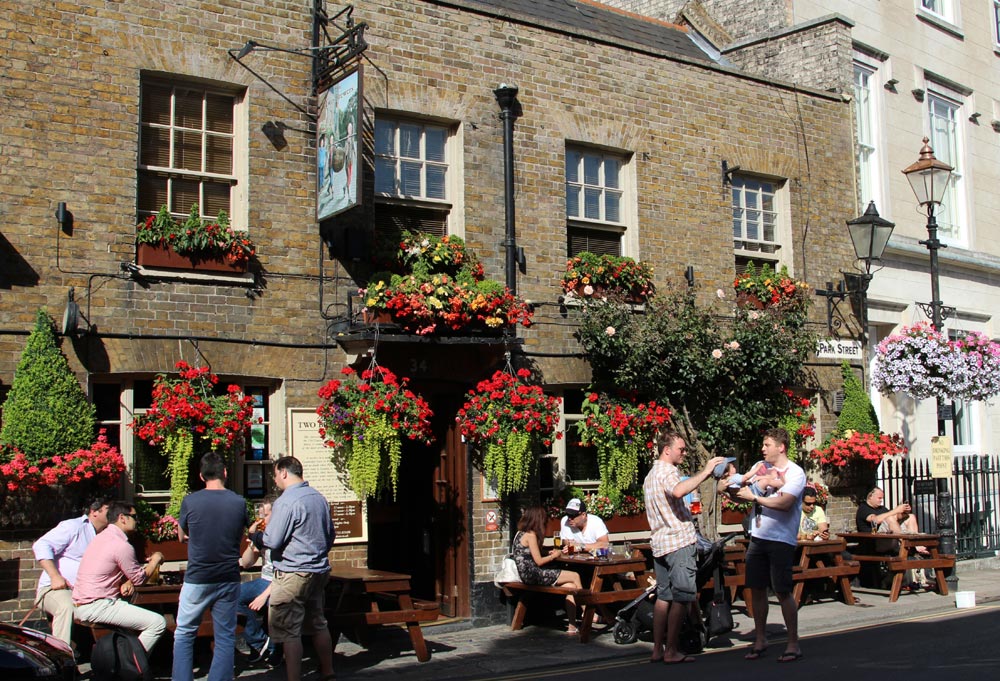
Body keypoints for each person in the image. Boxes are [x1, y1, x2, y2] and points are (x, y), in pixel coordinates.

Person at [643, 431, 726, 664]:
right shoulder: (668, 471)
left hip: (660, 543)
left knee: (663, 597)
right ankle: (671, 651)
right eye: (681, 449)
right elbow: (678, 490)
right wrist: (707, 471)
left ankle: (658, 649)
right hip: (678, 542)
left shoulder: (650, 475)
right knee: (682, 597)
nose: (684, 452)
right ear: (666, 450)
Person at [725, 428, 806, 663]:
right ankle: (760, 639)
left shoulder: (795, 473)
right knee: (756, 589)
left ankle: (793, 643)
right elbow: (743, 493)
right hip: (758, 537)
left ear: (781, 447)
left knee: (782, 591)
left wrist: (756, 498)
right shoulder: (761, 468)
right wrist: (728, 491)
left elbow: (785, 503)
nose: (763, 448)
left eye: (767, 444)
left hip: (781, 539)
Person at [172, 452, 249, 681]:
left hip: (198, 576)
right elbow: (242, 532)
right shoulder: (239, 502)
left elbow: (181, 535)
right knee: (225, 636)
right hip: (228, 576)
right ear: (225, 472)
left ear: (201, 475)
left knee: (185, 633)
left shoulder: (191, 501)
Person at [263, 456, 336, 681]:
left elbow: (273, 540)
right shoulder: (319, 498)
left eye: (275, 475)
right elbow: (330, 535)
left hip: (293, 572)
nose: (275, 480)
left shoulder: (286, 501)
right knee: (318, 622)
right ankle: (328, 671)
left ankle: (294, 678)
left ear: (284, 472)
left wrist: (258, 535)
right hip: (318, 570)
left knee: (289, 630)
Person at [72, 501, 167, 653]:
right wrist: (156, 559)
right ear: (122, 518)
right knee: (157, 623)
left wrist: (124, 581)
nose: (137, 521)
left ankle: (125, 661)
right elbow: (139, 579)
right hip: (97, 605)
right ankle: (130, 665)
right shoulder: (121, 545)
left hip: (82, 603)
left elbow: (108, 570)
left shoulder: (101, 538)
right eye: (135, 517)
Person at [32, 497, 110, 647]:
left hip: (90, 594)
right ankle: (62, 658)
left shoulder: (109, 535)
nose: (114, 513)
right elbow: (41, 545)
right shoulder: (74, 527)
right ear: (94, 512)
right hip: (56, 590)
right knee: (65, 606)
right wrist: (55, 576)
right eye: (109, 510)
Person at [511, 506, 583, 634]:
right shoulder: (531, 535)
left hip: (526, 574)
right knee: (575, 576)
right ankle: (588, 611)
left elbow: (530, 553)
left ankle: (572, 626)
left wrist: (546, 552)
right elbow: (538, 561)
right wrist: (554, 555)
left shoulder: (521, 533)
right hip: (534, 575)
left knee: (570, 585)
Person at [238, 495, 280, 665]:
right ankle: (262, 643)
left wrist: (263, 596)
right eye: (260, 515)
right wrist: (251, 543)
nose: (262, 519)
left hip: (279, 583)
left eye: (265, 515)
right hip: (264, 580)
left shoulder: (281, 535)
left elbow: (284, 573)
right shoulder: (262, 536)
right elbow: (247, 564)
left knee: (274, 605)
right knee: (230, 596)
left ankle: (276, 650)